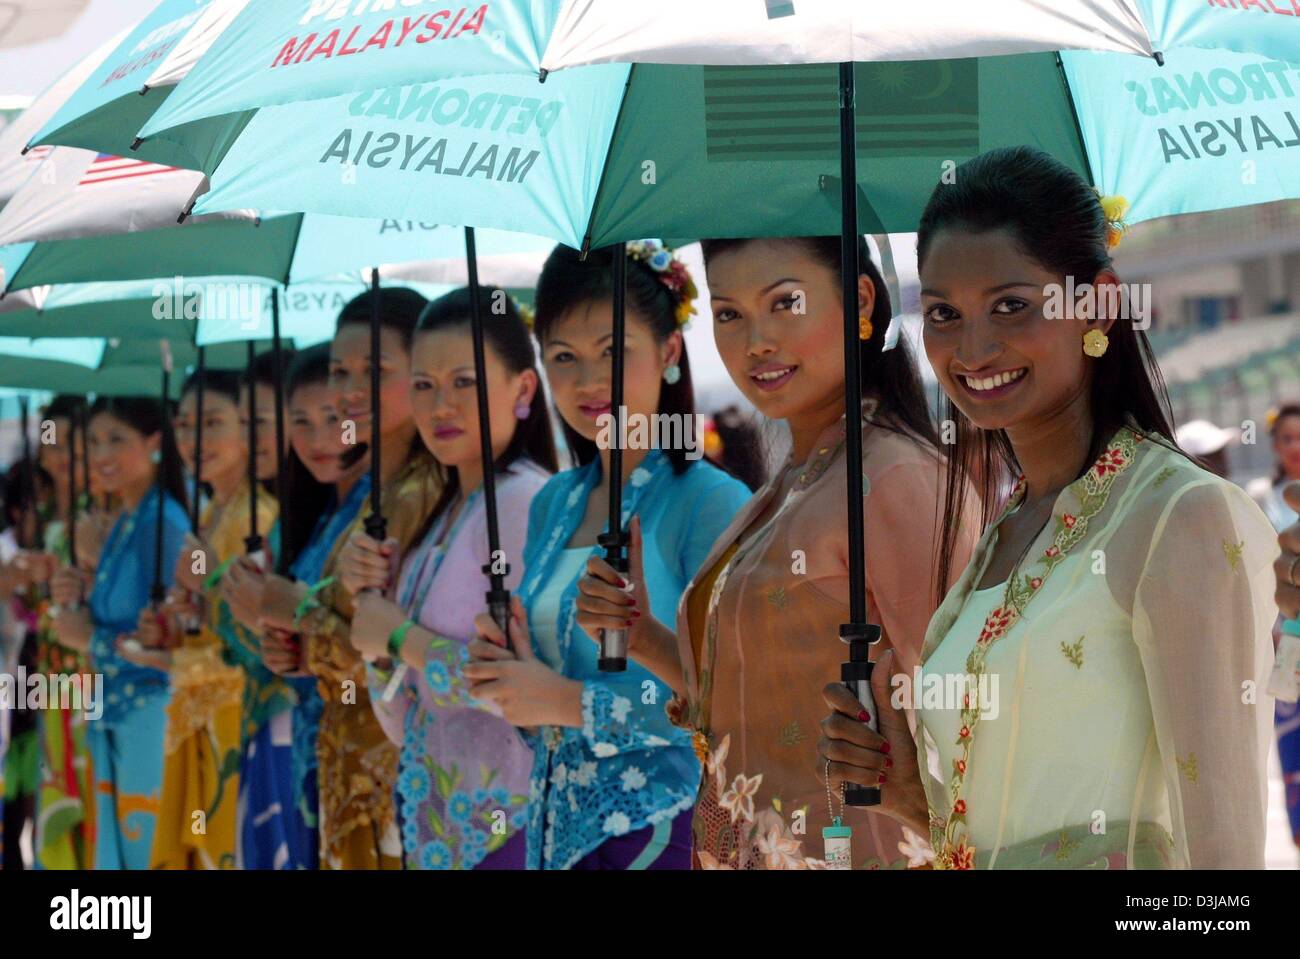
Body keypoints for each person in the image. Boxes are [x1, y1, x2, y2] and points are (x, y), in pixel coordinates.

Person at [818, 146, 1277, 869]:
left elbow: (1225, 869)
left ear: (1094, 303)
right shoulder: (1007, 530)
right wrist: (905, 787)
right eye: (944, 313)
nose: (973, 348)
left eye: (1010, 305)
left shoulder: (1175, 516)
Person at [578, 235, 970, 869]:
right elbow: (744, 709)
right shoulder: (790, 484)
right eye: (729, 313)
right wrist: (642, 636)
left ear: (861, 301)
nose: (755, 341)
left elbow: (968, 714)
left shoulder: (895, 477)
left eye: (784, 301)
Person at [469, 241, 752, 870]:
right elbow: (541, 703)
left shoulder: (709, 500)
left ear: (669, 353)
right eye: (564, 356)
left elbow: (735, 706)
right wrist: (508, 666)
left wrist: (563, 700)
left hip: (663, 831)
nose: (589, 381)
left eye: (612, 352)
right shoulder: (553, 503)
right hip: (550, 831)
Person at [340, 287, 556, 869]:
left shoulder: (521, 504)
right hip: (437, 819)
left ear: (523, 389)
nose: (441, 406)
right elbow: (401, 712)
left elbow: (521, 692)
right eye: (424, 385)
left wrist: (395, 637)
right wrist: (375, 612)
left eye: (465, 382)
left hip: (504, 824)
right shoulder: (447, 513)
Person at [260, 287, 443, 870]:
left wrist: (298, 615)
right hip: (343, 764)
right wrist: (294, 645)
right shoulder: (379, 494)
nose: (348, 390)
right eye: (341, 370)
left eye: (374, 369)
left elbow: (395, 654)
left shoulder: (425, 493)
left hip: (388, 774)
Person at [231, 344, 371, 869]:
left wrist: (287, 620)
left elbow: (379, 651)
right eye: (301, 421)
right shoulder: (314, 513)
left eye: (334, 419)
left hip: (363, 756)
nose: (318, 440)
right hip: (312, 747)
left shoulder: (378, 510)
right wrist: (282, 645)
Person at [49, 397, 189, 869]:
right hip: (119, 717)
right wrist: (84, 586)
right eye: (92, 441)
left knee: (148, 855)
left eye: (116, 439)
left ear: (153, 443)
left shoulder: (162, 523)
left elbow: (179, 641)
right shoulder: (131, 518)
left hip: (153, 717)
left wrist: (90, 638)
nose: (101, 454)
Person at [29, 396, 96, 869]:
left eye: (73, 443)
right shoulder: (44, 510)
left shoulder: (102, 509)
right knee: (56, 777)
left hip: (89, 670)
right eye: (51, 443)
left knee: (88, 785)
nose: (60, 455)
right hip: (50, 670)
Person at [1248, 405, 1300, 850]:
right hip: (1286, 642)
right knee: (1295, 755)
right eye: (1287, 438)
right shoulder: (1260, 498)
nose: (1296, 447)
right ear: (1275, 445)